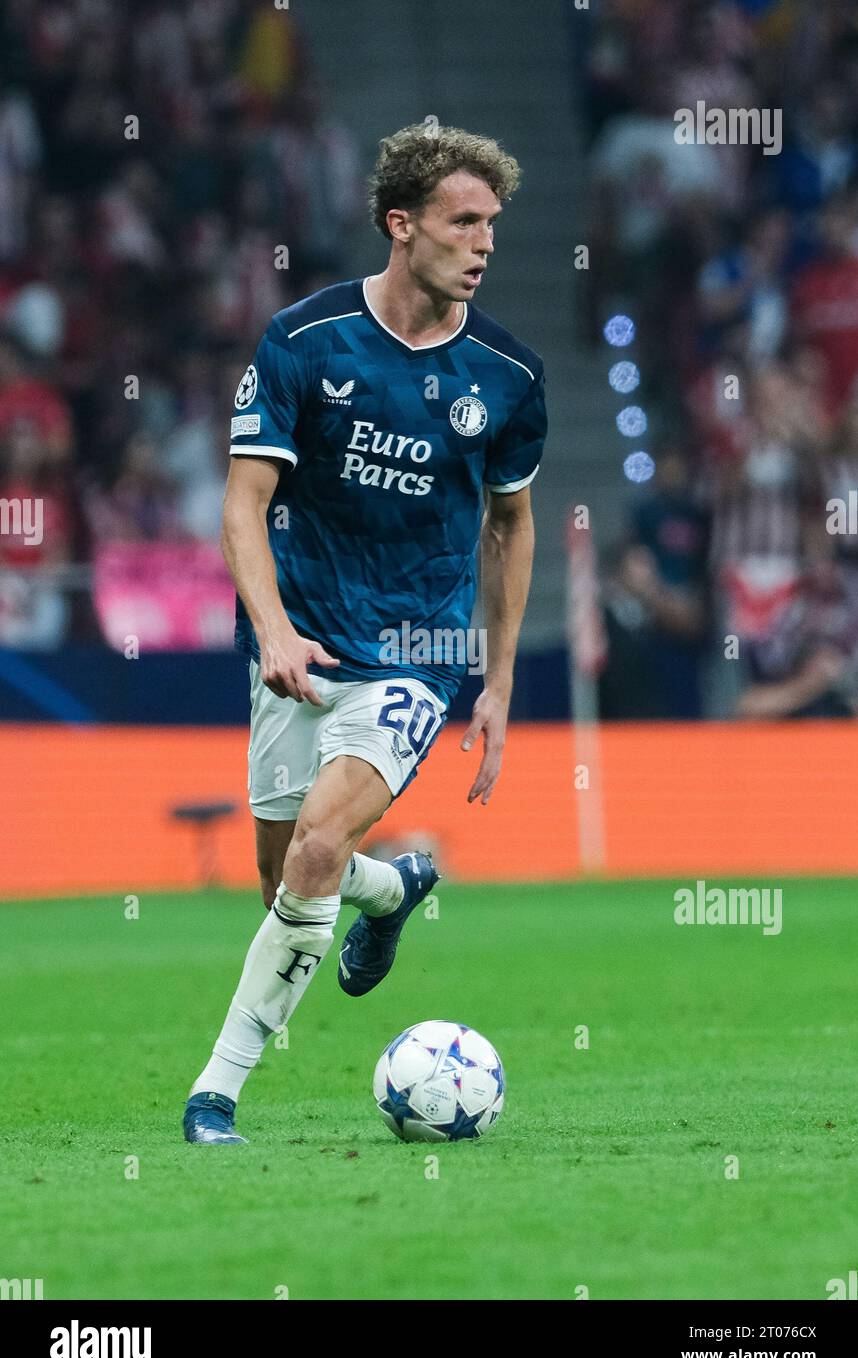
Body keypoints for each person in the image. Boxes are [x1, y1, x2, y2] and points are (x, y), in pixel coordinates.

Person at [184, 124, 548, 1144]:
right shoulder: (304, 342)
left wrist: (497, 678)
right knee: (286, 878)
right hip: (298, 646)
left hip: (416, 655)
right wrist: (275, 633)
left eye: (491, 223)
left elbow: (511, 526)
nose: (482, 243)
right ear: (401, 225)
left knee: (313, 849)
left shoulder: (507, 377)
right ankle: (392, 891)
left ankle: (215, 1093)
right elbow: (243, 503)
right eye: (461, 221)